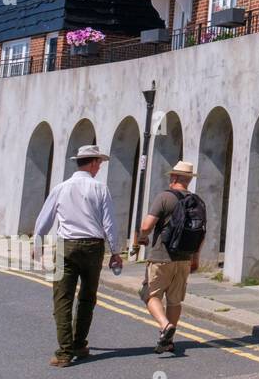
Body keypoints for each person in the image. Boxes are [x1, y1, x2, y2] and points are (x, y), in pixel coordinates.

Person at [32, 145, 122, 367]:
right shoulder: (100, 189)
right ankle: (80, 344)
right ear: (92, 163)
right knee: (87, 297)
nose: (100, 166)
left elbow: (44, 219)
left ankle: (64, 353)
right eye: (99, 162)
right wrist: (116, 252)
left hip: (66, 246)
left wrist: (38, 244)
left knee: (62, 298)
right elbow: (109, 223)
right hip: (93, 246)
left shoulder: (61, 188)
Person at [131, 161, 203, 354]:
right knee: (174, 300)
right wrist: (195, 257)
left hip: (162, 256)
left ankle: (164, 326)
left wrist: (142, 240)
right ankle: (169, 341)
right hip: (185, 258)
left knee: (150, 294)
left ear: (174, 178)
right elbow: (201, 232)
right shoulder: (196, 201)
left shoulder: (165, 197)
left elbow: (146, 226)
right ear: (188, 180)